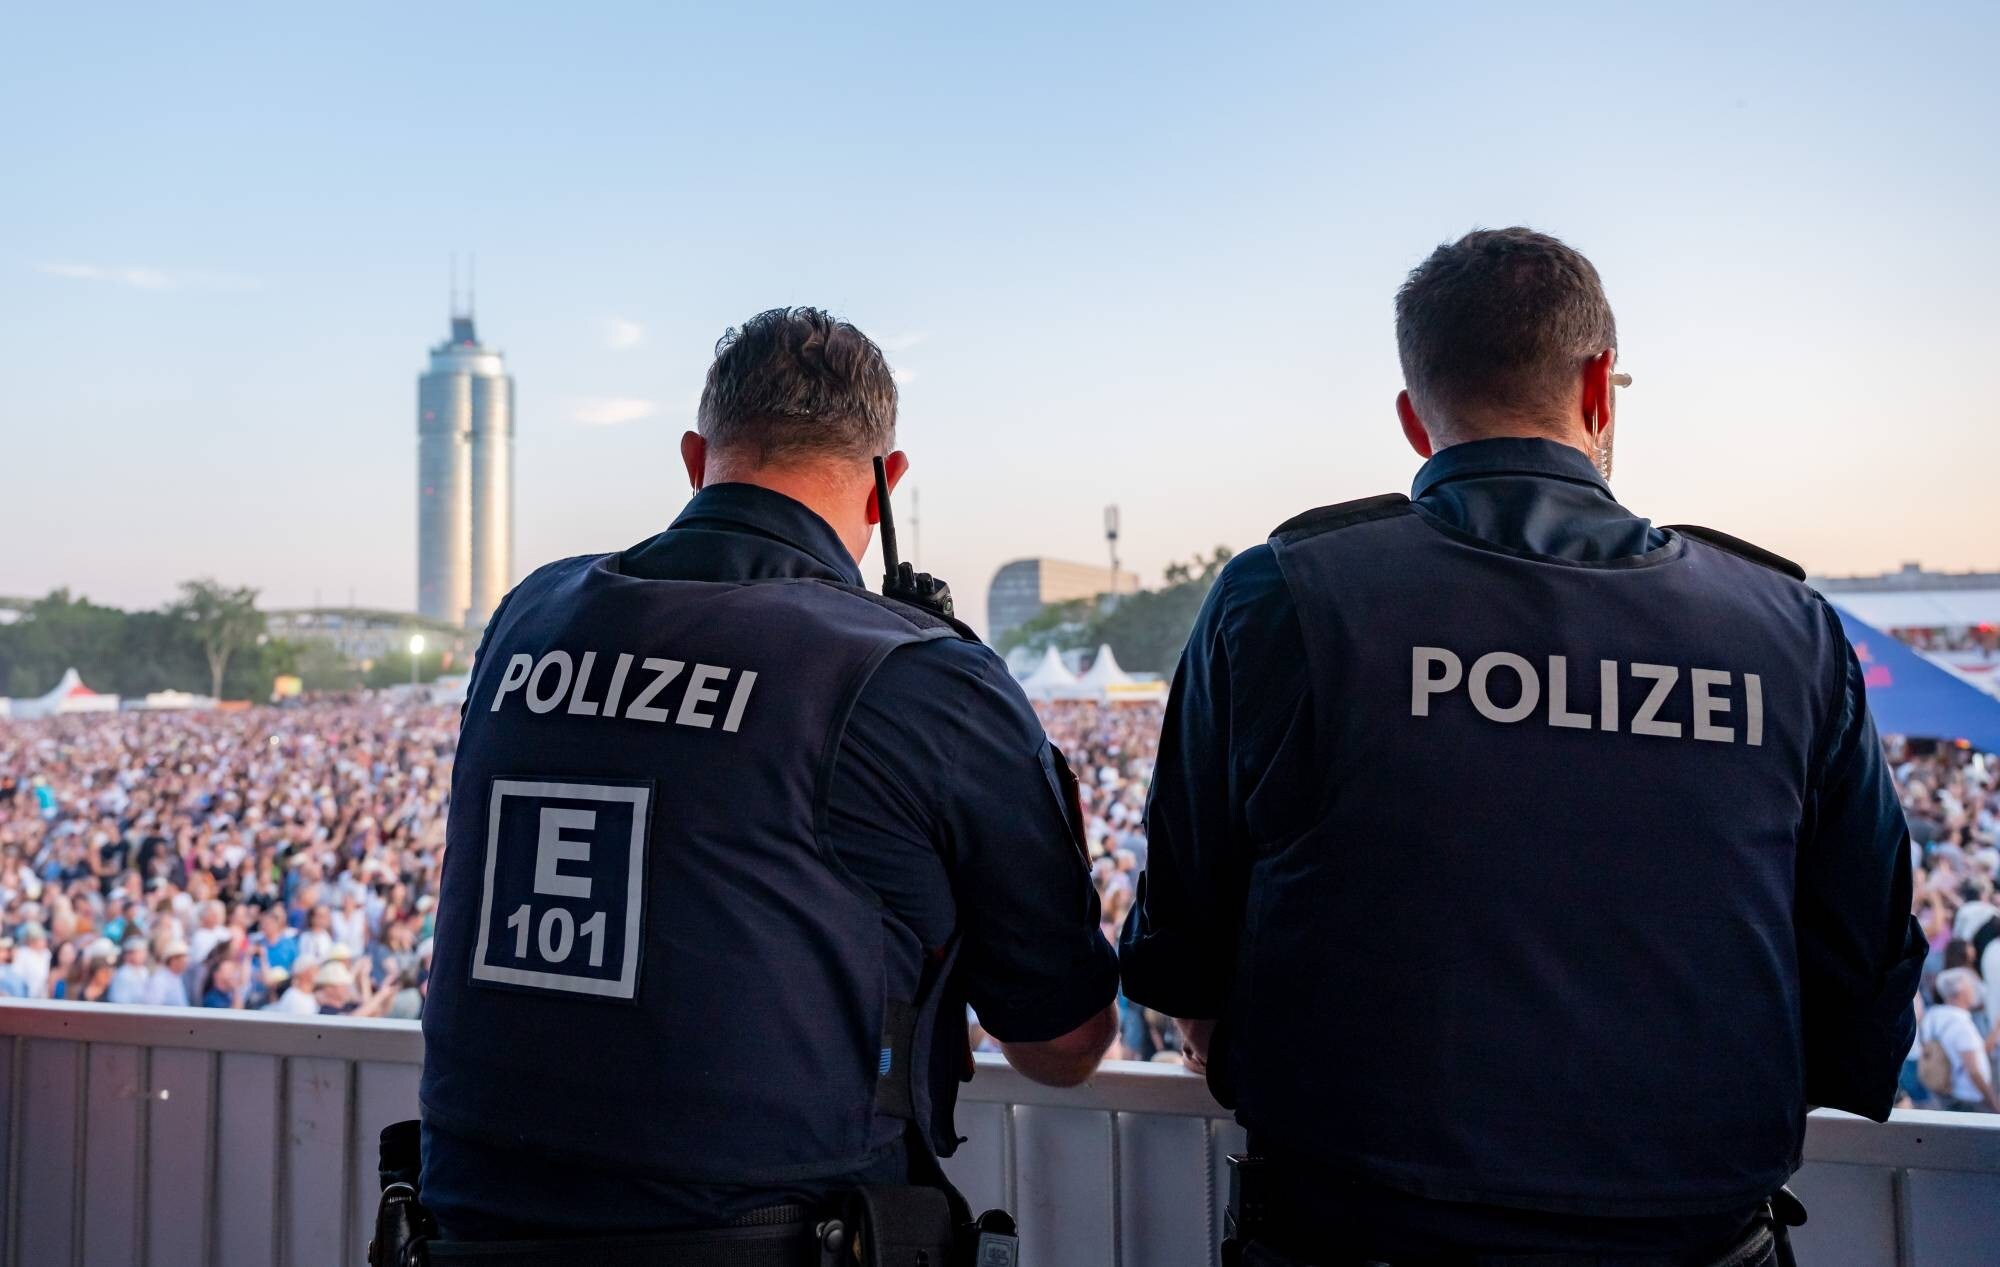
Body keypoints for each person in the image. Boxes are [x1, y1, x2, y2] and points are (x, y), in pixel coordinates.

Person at [1120, 228, 1927, 1266]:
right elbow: (1864, 960)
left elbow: (1182, 929)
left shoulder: (1285, 595)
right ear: (1598, 386)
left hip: (1355, 1226)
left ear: (1416, 420)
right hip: (1691, 1230)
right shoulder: (1782, 625)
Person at [417, 307, 1118, 1260]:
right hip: (770, 1236)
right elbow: (1062, 1042)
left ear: (696, 455)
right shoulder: (915, 672)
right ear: (887, 486)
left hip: (466, 1227)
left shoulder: (526, 619)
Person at [1919, 968, 1999, 1112]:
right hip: (1969, 1098)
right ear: (1960, 993)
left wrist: (1995, 1031)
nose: (1975, 991)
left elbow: (1978, 1052)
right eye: (1971, 987)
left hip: (1945, 1092)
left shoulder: (1933, 1016)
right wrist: (1993, 1102)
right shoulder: (1962, 1026)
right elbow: (1974, 1071)